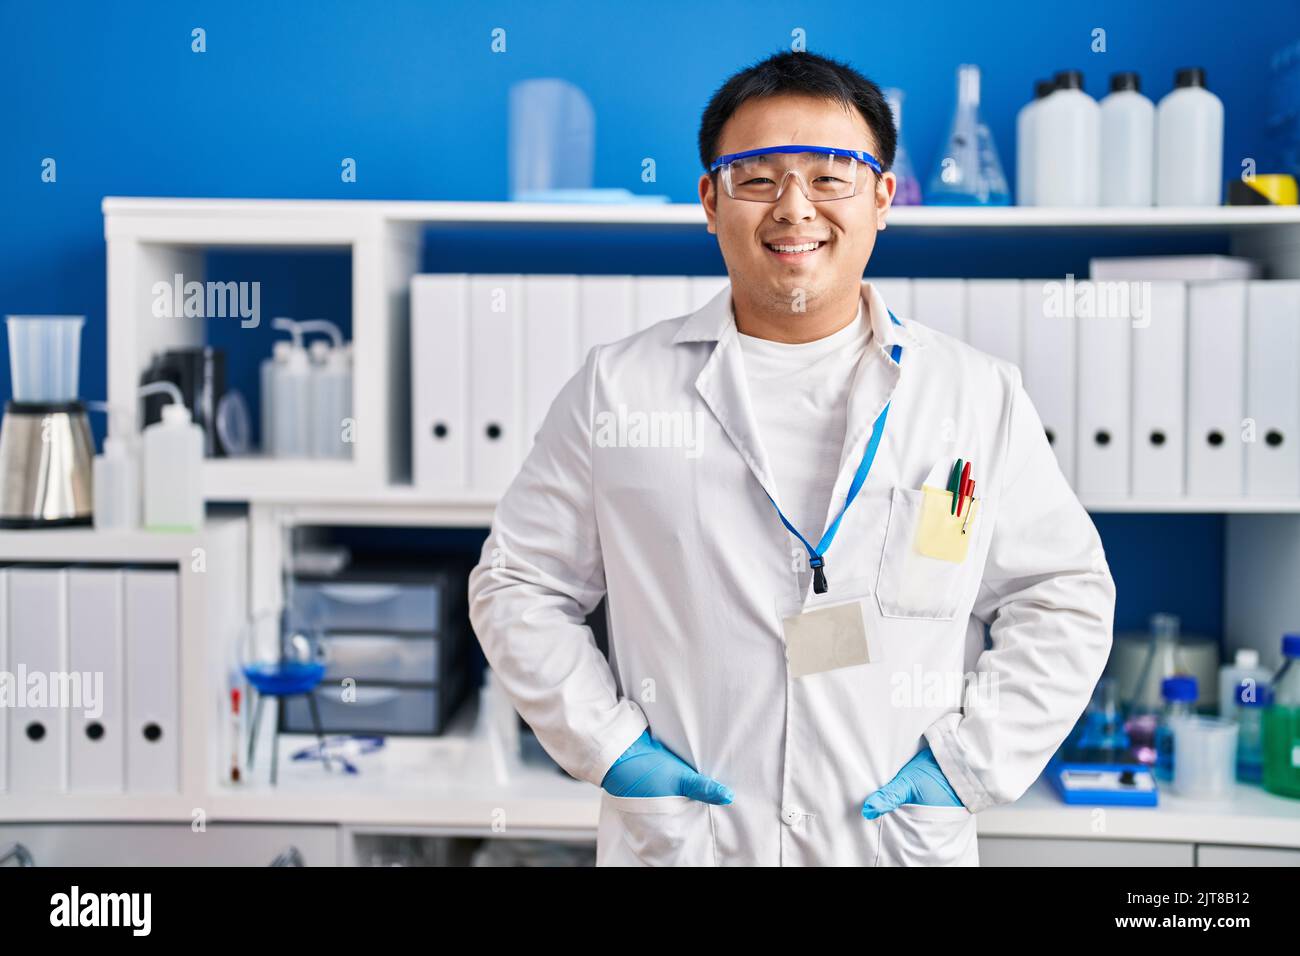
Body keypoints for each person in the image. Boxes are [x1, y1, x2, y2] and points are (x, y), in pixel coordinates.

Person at [468, 50, 1115, 866]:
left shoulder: (974, 396)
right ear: (710, 200)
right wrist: (612, 749)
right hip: (694, 840)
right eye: (758, 178)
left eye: (832, 176)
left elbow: (1063, 595)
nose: (795, 208)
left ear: (883, 198)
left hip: (885, 838)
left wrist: (965, 768)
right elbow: (517, 584)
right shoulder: (618, 388)